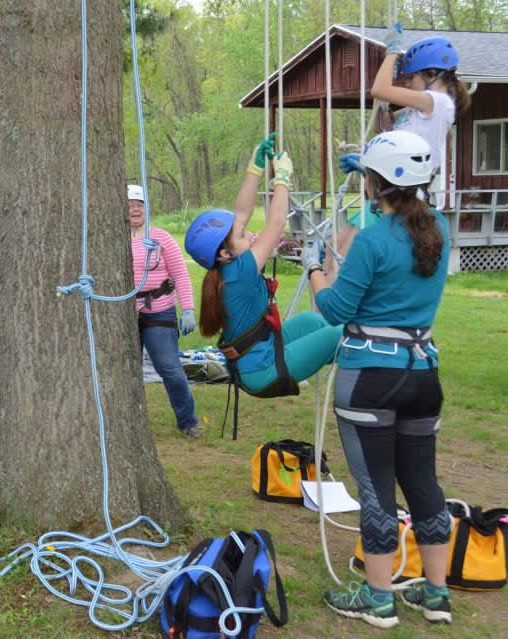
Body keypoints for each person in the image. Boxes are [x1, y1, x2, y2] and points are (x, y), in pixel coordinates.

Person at [306, 131, 452, 629]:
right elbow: (401, 235)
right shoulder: (441, 229)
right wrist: (375, 184)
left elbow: (335, 310)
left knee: (376, 490)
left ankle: (379, 599)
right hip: (422, 375)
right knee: (423, 483)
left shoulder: (371, 241)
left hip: (371, 376)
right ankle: (436, 596)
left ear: (375, 182)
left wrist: (312, 269)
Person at [184, 133, 341, 397]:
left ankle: (346, 358)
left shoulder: (227, 268)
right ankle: (371, 369)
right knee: (343, 334)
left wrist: (254, 168)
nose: (249, 232)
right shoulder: (240, 272)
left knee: (312, 322)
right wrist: (282, 179)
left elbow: (241, 212)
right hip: (263, 370)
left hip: (260, 353)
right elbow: (277, 221)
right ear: (224, 252)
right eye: (243, 234)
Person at [333, 24, 470, 268]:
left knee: (341, 258)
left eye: (410, 78)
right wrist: (365, 162)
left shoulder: (437, 102)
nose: (406, 84)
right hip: (391, 188)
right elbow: (382, 123)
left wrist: (391, 55)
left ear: (431, 75)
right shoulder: (422, 106)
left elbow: (380, 88)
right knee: (335, 248)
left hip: (404, 195)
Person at [127, 184, 200, 438]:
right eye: (130, 205)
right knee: (125, 369)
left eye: (139, 205)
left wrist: (188, 308)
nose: (135, 209)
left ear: (147, 208)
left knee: (169, 367)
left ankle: (187, 421)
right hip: (124, 315)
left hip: (159, 311)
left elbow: (180, 274)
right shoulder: (113, 239)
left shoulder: (162, 238)